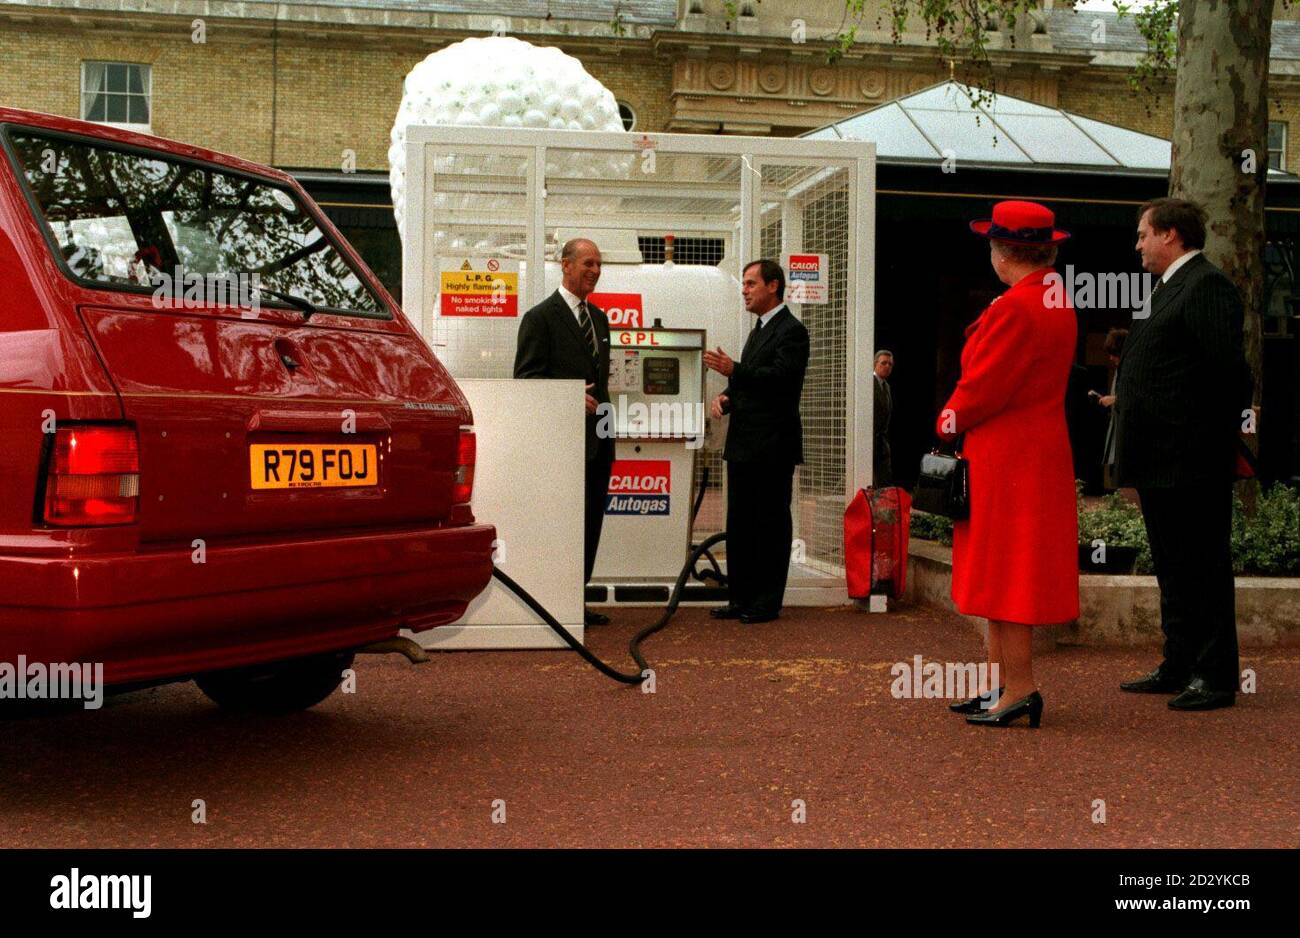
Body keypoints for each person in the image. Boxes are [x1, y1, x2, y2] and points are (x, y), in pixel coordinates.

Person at [938, 200, 1079, 728]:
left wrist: (948, 419)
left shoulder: (1017, 307)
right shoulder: (1051, 299)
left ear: (1002, 252)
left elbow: (982, 387)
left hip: (1005, 454)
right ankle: (1001, 685)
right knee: (1007, 569)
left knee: (1007, 572)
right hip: (1032, 451)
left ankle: (1017, 688)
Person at [1115, 198, 1252, 711]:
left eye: (1144, 233)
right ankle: (1179, 663)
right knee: (1174, 567)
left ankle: (1214, 675)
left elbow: (1230, 375)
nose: (1138, 244)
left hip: (1191, 458)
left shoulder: (1206, 285)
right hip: (1159, 457)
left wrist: (1205, 440)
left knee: (1203, 566)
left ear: (1171, 235)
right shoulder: (1168, 287)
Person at [513, 237, 614, 627]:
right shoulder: (540, 319)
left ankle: (576, 601)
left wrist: (608, 438)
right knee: (561, 525)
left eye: (599, 264)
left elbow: (601, 388)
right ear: (565, 265)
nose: (594, 271)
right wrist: (569, 400)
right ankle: (555, 603)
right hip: (558, 447)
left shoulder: (600, 320)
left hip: (598, 444)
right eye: (588, 263)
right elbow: (525, 381)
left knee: (590, 523)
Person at [704, 259, 809, 625]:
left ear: (773, 286)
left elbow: (780, 380)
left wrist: (735, 370)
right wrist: (727, 397)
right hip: (745, 444)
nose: (744, 290)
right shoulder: (758, 330)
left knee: (769, 523)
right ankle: (741, 598)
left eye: (751, 284)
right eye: (744, 284)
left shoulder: (791, 331)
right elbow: (751, 383)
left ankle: (766, 602)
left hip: (772, 446)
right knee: (742, 523)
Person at [1097, 327, 1128, 490]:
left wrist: (1114, 399)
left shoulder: (1129, 369)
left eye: (1114, 353)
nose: (1111, 358)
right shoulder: (1119, 370)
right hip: (1117, 427)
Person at [872, 350, 894, 485]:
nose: (887, 366)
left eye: (890, 364)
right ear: (875, 364)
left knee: (884, 476)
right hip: (869, 439)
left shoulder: (887, 387)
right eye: (884, 363)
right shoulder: (868, 384)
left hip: (881, 439)